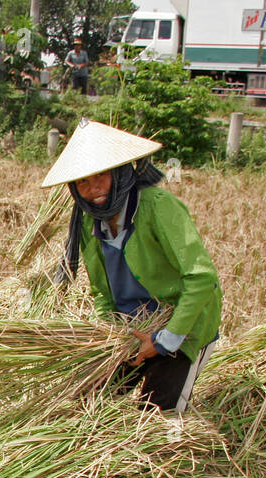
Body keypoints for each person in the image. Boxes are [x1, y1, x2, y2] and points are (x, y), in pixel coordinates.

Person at [43, 120, 221, 414]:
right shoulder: (89, 221)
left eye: (102, 176)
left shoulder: (157, 207)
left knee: (155, 415)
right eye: (82, 182)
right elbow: (101, 291)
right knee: (87, 403)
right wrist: (112, 336)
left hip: (182, 327)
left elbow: (201, 278)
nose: (93, 189)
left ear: (122, 173)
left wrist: (165, 341)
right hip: (132, 330)